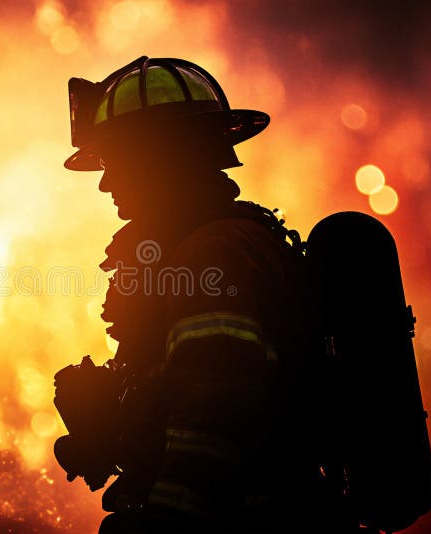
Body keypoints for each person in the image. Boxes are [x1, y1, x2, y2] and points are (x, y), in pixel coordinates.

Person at [54, 56, 312, 533]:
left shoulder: (212, 254)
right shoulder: (196, 248)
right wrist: (116, 419)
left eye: (115, 162)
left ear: (162, 159)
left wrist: (169, 517)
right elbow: (186, 388)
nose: (105, 183)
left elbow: (218, 406)